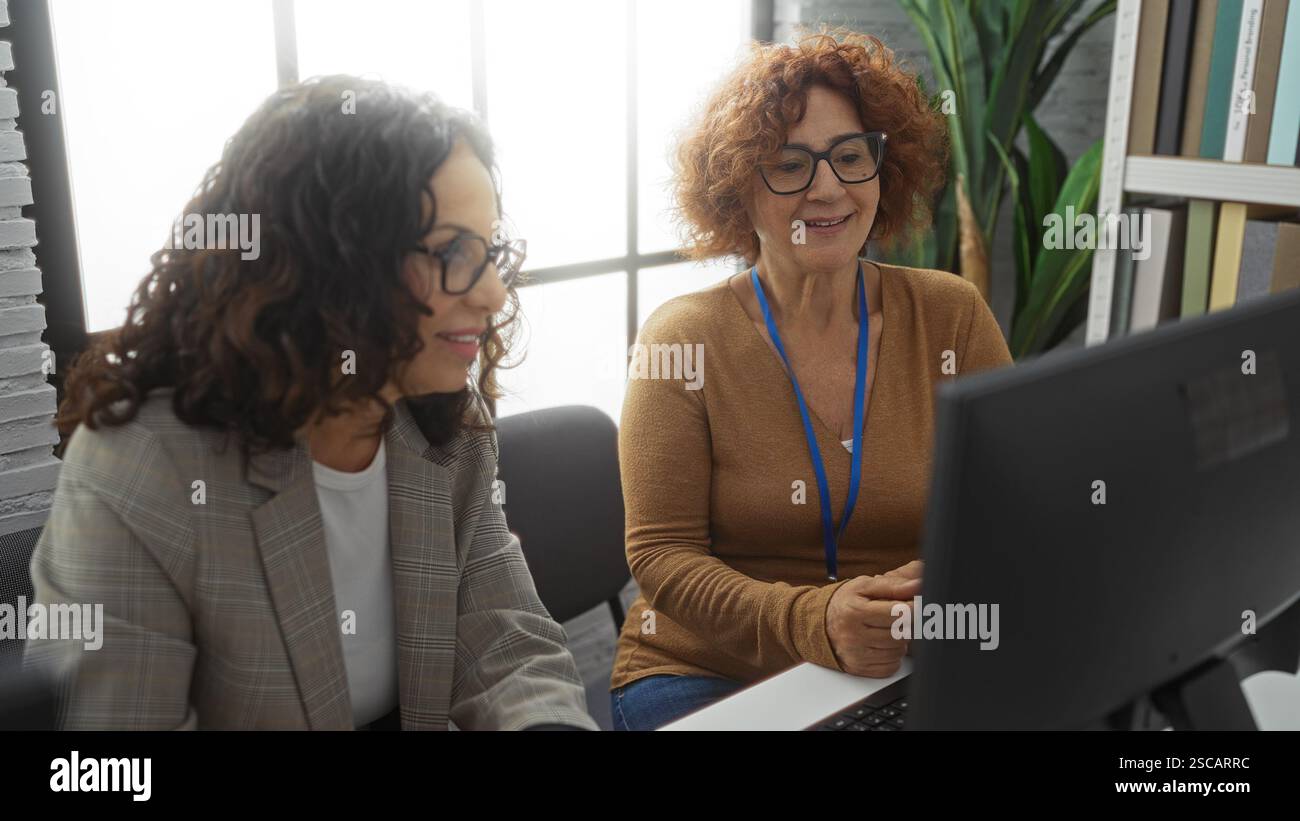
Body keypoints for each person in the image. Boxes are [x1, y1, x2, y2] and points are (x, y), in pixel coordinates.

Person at [26, 76, 596, 731]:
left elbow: (509, 647)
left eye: (490, 248)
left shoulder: (447, 424)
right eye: (452, 251)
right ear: (332, 260)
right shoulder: (141, 469)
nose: (495, 292)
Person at [610, 31, 1013, 730]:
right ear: (737, 187)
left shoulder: (951, 315)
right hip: (708, 672)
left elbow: (1013, 506)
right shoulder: (682, 338)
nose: (827, 187)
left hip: (904, 661)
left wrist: (937, 604)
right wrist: (816, 618)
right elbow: (661, 557)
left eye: (850, 156)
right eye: (789, 164)